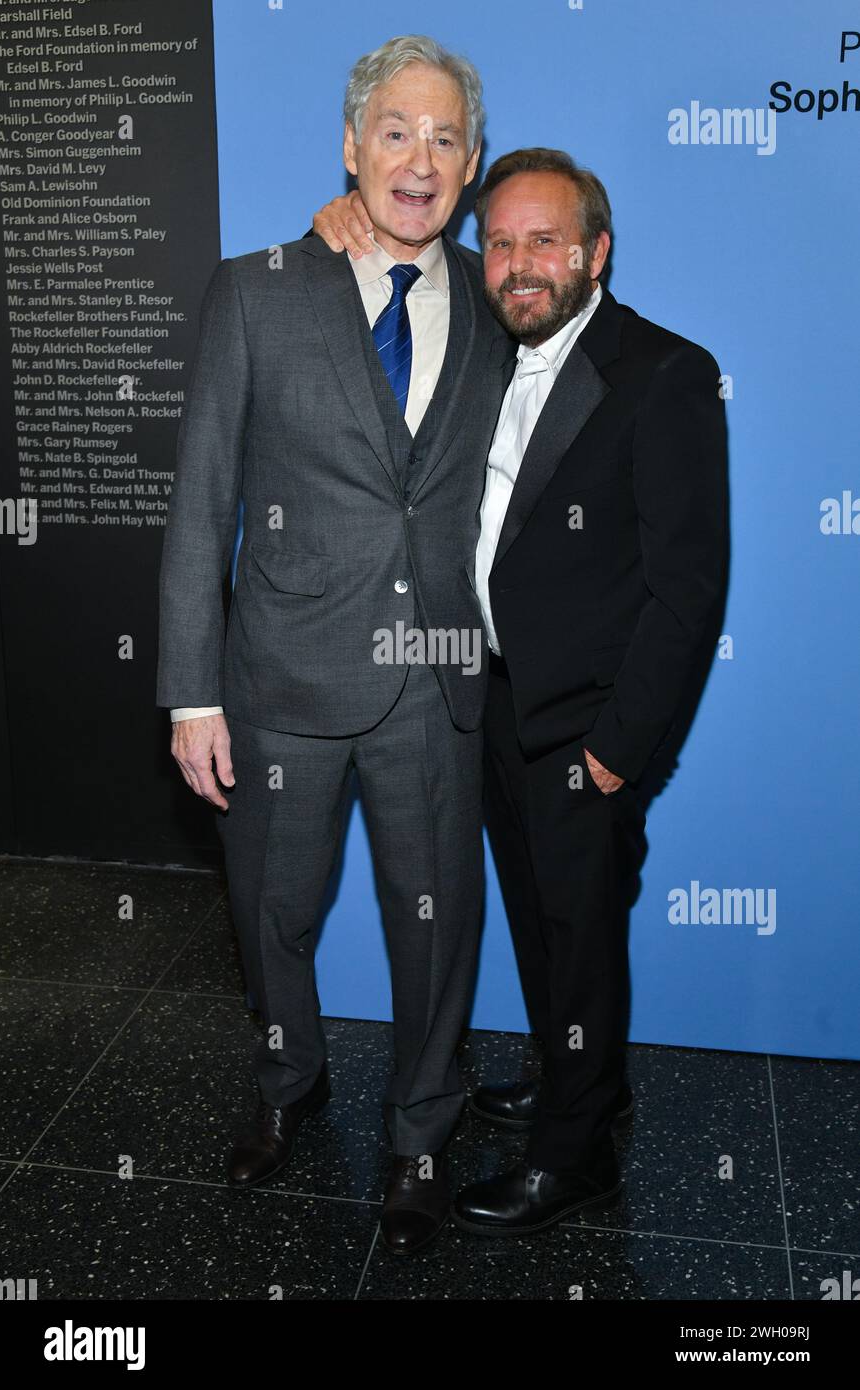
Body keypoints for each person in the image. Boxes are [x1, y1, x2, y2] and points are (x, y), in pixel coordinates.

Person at [313, 147, 728, 1235]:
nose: (517, 263)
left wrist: (615, 748)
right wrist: (343, 219)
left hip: (585, 728)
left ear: (595, 251)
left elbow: (686, 591)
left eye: (543, 240)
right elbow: (395, 266)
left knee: (579, 935)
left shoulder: (662, 373)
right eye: (498, 242)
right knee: (542, 929)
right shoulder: (489, 352)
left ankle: (573, 1155)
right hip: (489, 704)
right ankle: (574, 1083)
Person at [156, 34, 511, 1256]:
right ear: (352, 146)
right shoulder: (256, 286)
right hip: (278, 684)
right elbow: (202, 498)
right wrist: (190, 692)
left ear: (469, 164)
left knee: (435, 928)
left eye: (445, 137)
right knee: (272, 916)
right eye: (396, 133)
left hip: (434, 684)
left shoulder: (494, 303)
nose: (419, 159)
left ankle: (420, 1128)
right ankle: (285, 1078)